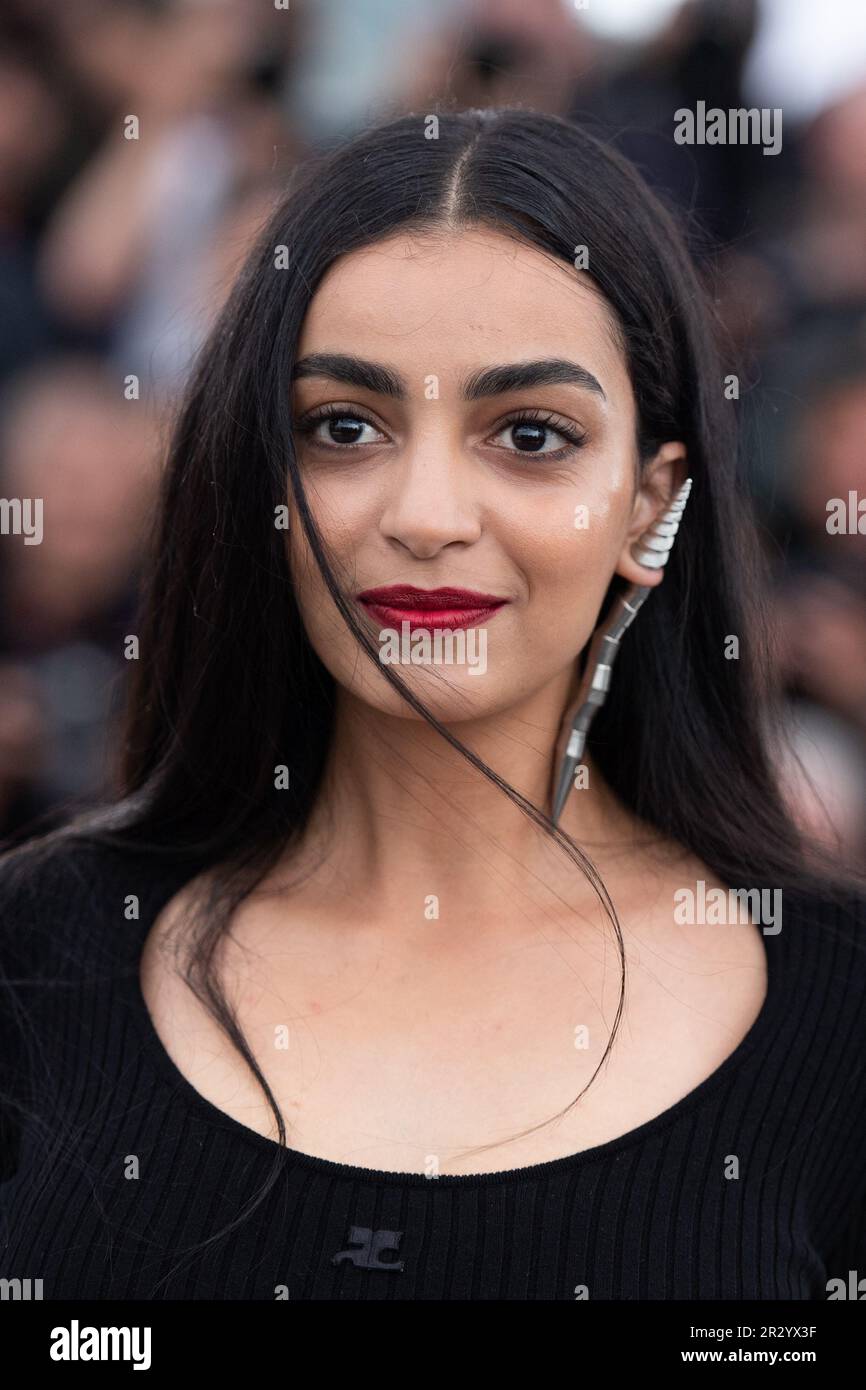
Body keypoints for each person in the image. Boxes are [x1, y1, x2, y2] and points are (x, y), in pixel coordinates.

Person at [1, 108, 864, 1301]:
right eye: (345, 426)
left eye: (528, 434)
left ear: (644, 505)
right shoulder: (40, 944)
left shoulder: (840, 1004)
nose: (426, 513)